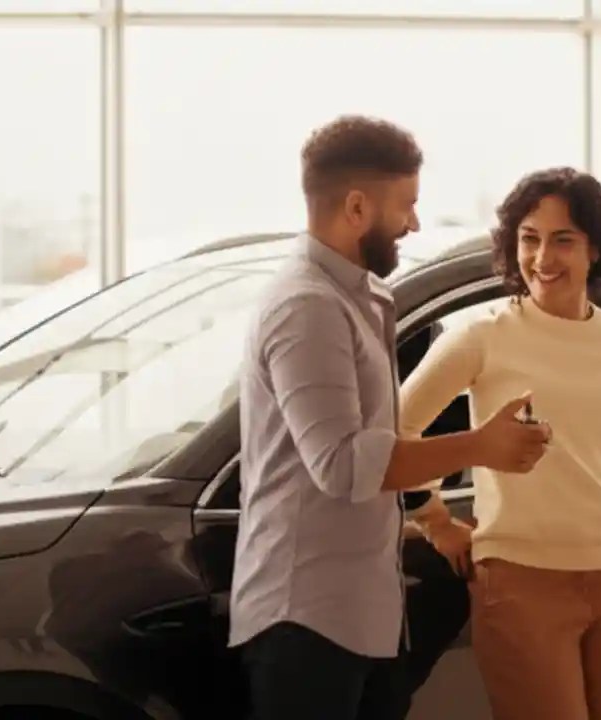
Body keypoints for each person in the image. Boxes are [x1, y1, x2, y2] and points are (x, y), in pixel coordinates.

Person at [228, 115, 553, 720]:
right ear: (357, 207)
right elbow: (344, 465)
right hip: (307, 621)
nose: (414, 223)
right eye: (406, 205)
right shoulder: (306, 306)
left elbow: (379, 441)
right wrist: (480, 446)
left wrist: (434, 519)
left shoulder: (362, 297)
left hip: (363, 615)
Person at [400, 167, 601, 720]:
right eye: (529, 239)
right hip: (519, 580)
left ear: (595, 250)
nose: (542, 258)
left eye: (563, 240)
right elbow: (396, 429)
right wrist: (435, 522)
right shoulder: (482, 337)